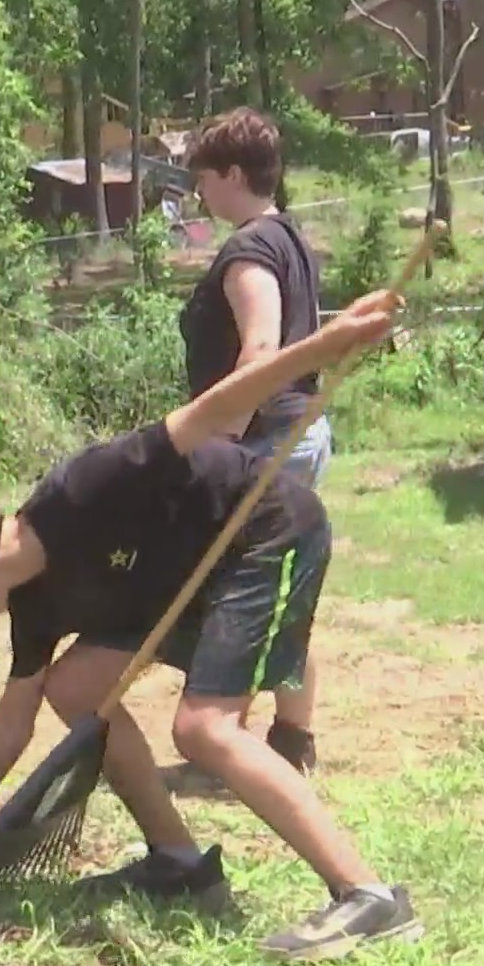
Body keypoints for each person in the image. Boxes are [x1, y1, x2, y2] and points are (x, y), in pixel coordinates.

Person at [0, 291, 422, 963]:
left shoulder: (83, 487)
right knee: (74, 687)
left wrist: (322, 345)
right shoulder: (33, 602)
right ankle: (178, 863)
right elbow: (9, 728)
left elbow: (213, 413)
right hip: (189, 583)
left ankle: (367, 895)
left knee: (202, 729)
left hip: (264, 533)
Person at [177, 106, 330, 780]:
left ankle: (227, 747)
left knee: (240, 596)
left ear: (234, 173)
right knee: (282, 591)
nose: (199, 192)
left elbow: (263, 345)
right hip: (298, 431)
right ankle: (292, 739)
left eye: (205, 177)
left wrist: (219, 441)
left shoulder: (248, 252)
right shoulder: (288, 237)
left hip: (264, 439)